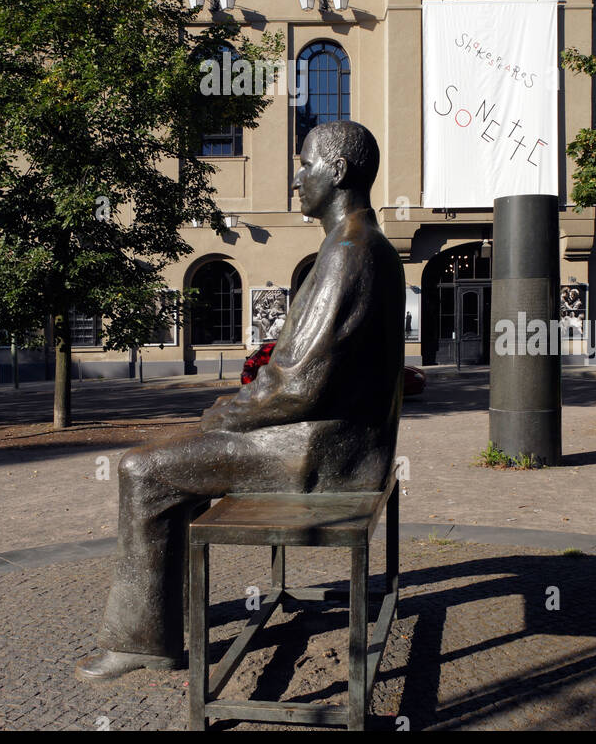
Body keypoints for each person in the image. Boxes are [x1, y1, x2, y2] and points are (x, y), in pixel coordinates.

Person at [75, 119, 405, 682]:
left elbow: (298, 384)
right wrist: (238, 408)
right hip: (335, 442)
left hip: (319, 457)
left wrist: (225, 413)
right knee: (171, 459)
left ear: (339, 171)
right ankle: (158, 615)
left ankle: (144, 641)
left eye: (305, 164)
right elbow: (301, 371)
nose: (296, 177)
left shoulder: (350, 252)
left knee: (143, 469)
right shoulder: (356, 246)